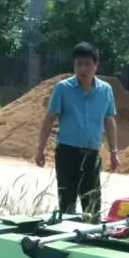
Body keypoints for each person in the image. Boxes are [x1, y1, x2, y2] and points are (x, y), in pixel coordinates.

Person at [34, 42, 119, 221]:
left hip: (91, 155)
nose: (82, 69)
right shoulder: (63, 89)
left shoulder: (105, 91)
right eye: (78, 64)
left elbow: (109, 121)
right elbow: (49, 118)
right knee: (67, 204)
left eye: (87, 64)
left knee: (92, 205)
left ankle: (92, 243)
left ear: (96, 65)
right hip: (67, 153)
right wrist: (40, 149)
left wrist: (113, 152)